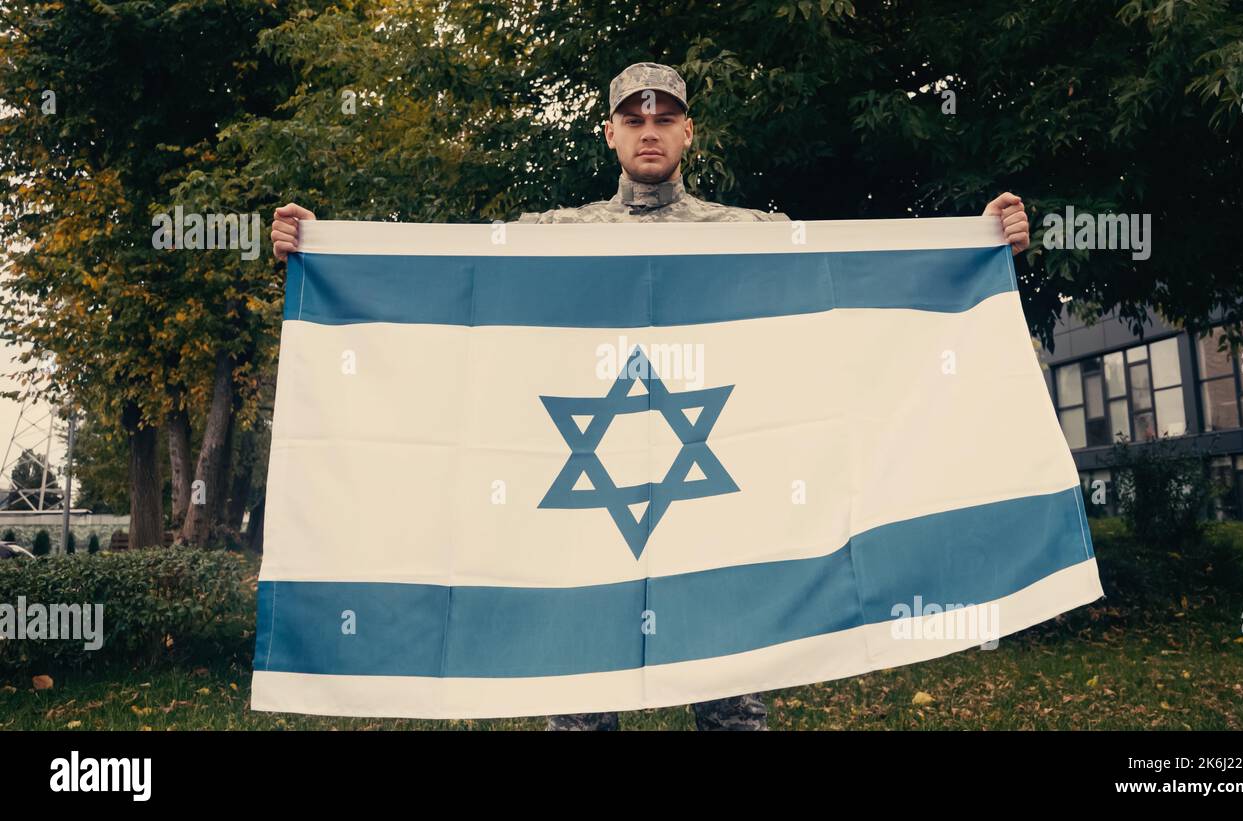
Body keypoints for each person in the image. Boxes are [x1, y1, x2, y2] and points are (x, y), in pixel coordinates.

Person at [270, 62, 1030, 731]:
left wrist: (982, 246)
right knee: (579, 703)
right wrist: (323, 253)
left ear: (689, 131)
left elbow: (838, 312)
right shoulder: (552, 236)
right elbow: (463, 304)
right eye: (634, 117)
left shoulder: (752, 236)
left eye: (664, 116)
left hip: (719, 523)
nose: (649, 129)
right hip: (584, 534)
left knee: (734, 712)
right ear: (609, 133)